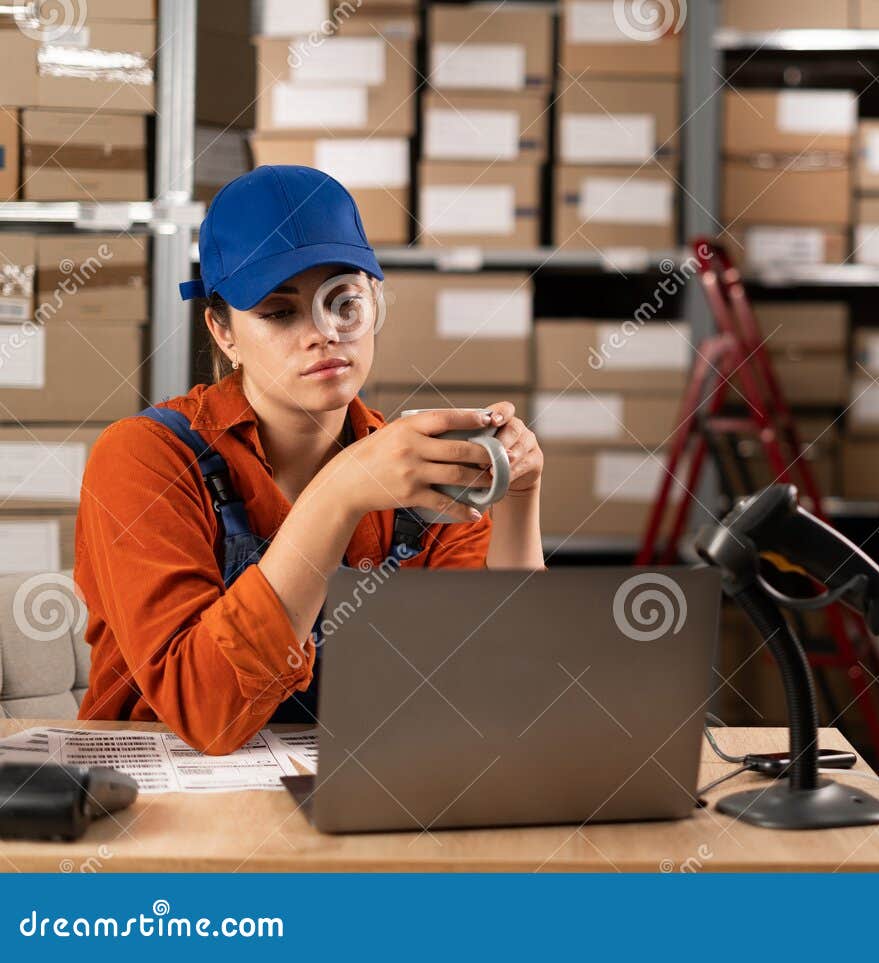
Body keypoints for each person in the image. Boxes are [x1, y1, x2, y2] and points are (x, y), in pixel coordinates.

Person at [74, 165, 545, 754]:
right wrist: (341, 493)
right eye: (279, 313)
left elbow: (503, 682)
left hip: (348, 789)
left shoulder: (411, 465)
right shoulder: (145, 458)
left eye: (342, 302)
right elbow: (206, 713)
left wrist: (520, 501)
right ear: (222, 331)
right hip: (164, 803)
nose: (323, 332)